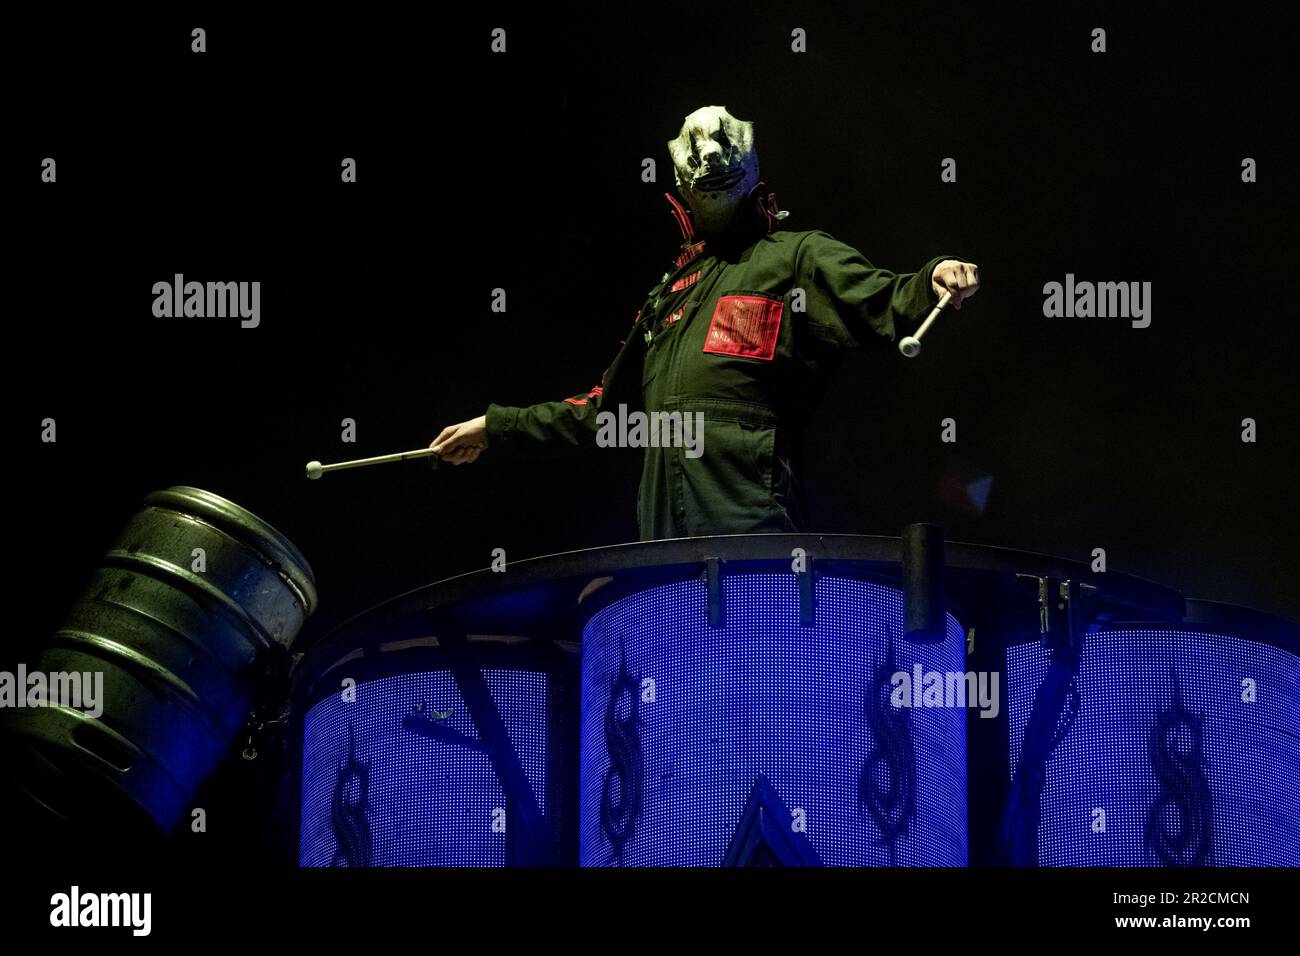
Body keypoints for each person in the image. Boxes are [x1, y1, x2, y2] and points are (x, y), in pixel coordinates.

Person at [431, 105, 980, 540]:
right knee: (679, 676)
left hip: (749, 520)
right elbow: (603, 414)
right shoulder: (666, 296)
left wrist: (932, 277)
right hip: (663, 536)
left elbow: (880, 296)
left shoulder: (794, 256)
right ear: (679, 182)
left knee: (762, 667)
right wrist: (497, 427)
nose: (712, 164)